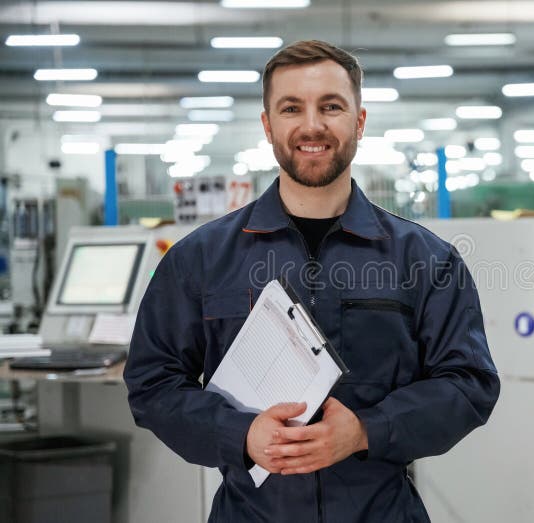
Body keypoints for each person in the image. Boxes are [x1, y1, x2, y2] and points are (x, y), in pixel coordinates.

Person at [124, 40, 500, 522]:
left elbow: (470, 384)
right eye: (291, 108)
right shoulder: (198, 259)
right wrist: (241, 435)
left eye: (331, 107)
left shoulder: (425, 260)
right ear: (268, 126)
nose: (312, 125)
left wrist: (366, 430)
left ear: (359, 122)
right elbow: (152, 384)